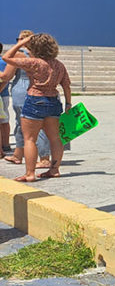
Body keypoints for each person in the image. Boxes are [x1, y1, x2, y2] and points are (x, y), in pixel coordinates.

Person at [2, 33, 70, 182]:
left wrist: (21, 43)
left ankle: (30, 173)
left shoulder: (34, 62)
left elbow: (6, 57)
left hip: (35, 100)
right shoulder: (59, 65)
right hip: (53, 101)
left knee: (30, 139)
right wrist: (68, 104)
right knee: (55, 138)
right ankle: (54, 169)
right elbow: (66, 85)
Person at [0, 30, 51, 166]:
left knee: (22, 122)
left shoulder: (19, 54)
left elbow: (6, 76)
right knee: (40, 124)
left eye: (18, 39)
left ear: (23, 40)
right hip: (38, 88)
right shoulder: (41, 55)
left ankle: (38, 157)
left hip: (21, 89)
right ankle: (30, 155)